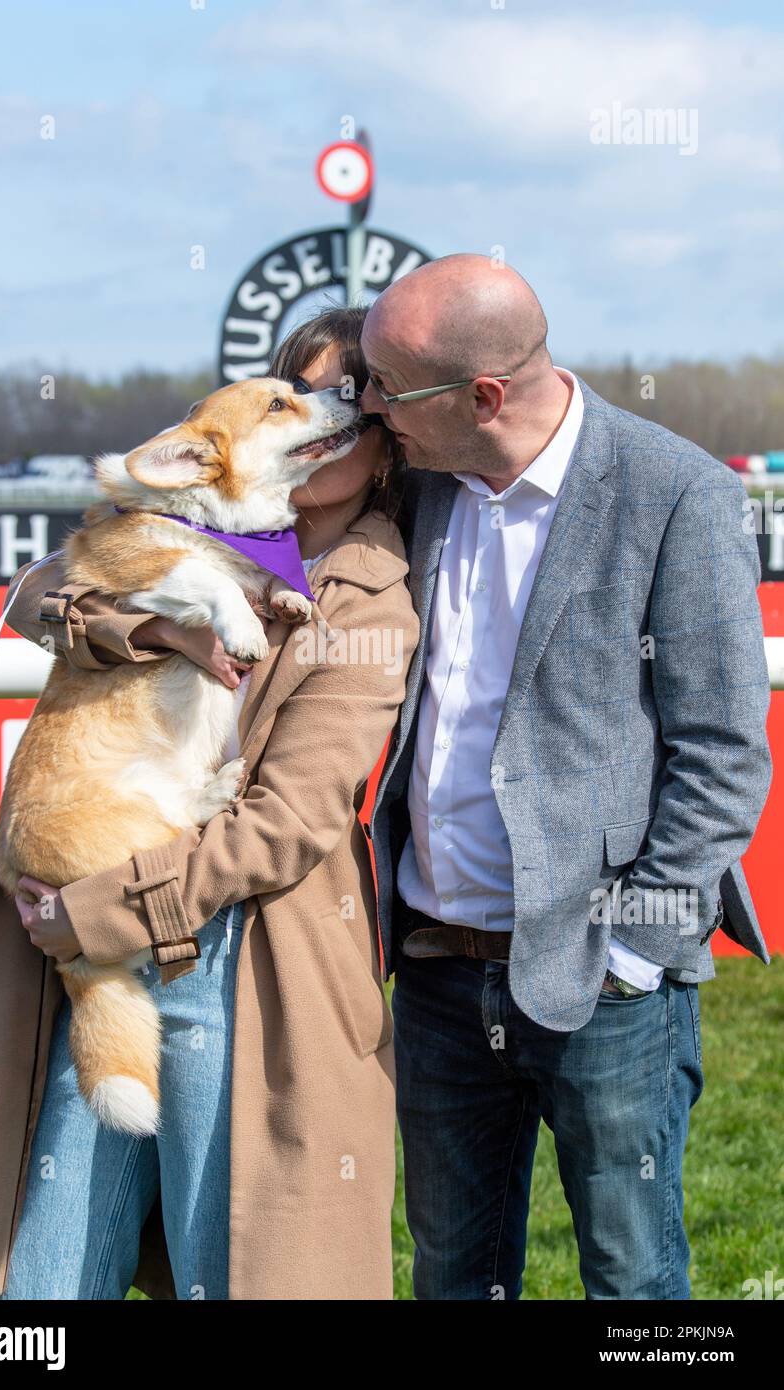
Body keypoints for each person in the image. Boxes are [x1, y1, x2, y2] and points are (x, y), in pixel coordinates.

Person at [0, 308, 420, 1301]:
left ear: (386, 445)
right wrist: (154, 628)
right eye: (296, 398)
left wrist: (100, 911)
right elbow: (33, 593)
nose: (325, 421)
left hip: (237, 957)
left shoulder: (372, 595)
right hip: (107, 917)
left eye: (348, 411)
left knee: (229, 1266)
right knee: (46, 1280)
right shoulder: (173, 534)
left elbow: (289, 820)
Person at [359, 254, 772, 1300]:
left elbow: (723, 754)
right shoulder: (415, 482)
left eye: (384, 389)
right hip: (437, 974)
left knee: (632, 1282)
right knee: (454, 1277)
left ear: (481, 397)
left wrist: (635, 951)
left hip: (606, 986)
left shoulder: (676, 492)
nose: (368, 411)